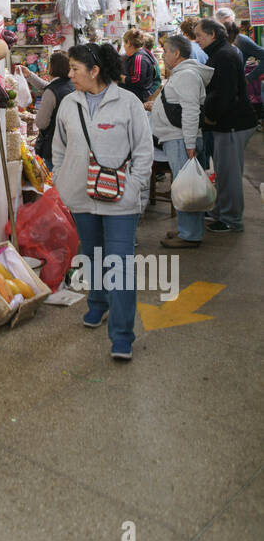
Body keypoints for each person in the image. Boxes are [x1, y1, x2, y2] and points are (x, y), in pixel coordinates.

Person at [52, 42, 153, 360]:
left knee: (120, 265)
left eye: (75, 69)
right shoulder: (69, 103)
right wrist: (60, 178)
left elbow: (143, 150)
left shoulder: (128, 103)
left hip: (120, 200)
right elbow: (58, 146)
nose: (70, 74)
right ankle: (98, 303)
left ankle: (122, 335)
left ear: (95, 71)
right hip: (81, 197)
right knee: (92, 255)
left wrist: (135, 186)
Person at [149, 35, 213, 249]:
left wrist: (189, 143)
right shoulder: (183, 74)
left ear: (176, 53)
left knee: (187, 187)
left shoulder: (186, 75)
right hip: (177, 139)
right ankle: (187, 228)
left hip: (182, 140)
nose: (164, 55)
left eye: (166, 51)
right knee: (184, 185)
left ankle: (190, 234)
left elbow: (191, 110)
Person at [194, 18, 257, 233]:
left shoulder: (224, 55)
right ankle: (220, 211)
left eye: (200, 35)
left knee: (229, 174)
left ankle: (231, 219)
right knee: (222, 171)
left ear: (212, 35)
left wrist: (210, 116)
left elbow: (224, 94)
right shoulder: (221, 53)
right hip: (226, 123)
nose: (197, 40)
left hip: (233, 124)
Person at [33, 51, 73, 170]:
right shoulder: (71, 85)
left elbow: (41, 123)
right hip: (70, 143)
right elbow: (49, 86)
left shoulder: (51, 92)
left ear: (52, 67)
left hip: (53, 147)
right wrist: (29, 75)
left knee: (54, 183)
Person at [214, 8, 264, 84]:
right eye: (223, 25)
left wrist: (249, 78)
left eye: (230, 24)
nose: (228, 28)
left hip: (235, 90)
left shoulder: (241, 40)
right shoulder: (212, 39)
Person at [120, 28, 157, 103]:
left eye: (125, 43)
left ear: (129, 43)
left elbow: (137, 79)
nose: (124, 46)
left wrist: (121, 78)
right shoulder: (140, 54)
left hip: (137, 98)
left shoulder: (138, 58)